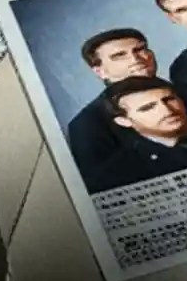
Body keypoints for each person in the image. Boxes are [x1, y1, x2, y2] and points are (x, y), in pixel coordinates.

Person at [66, 28, 160, 177]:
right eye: (119, 56)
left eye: (140, 49)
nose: (135, 59)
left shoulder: (185, 91)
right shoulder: (87, 123)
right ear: (100, 72)